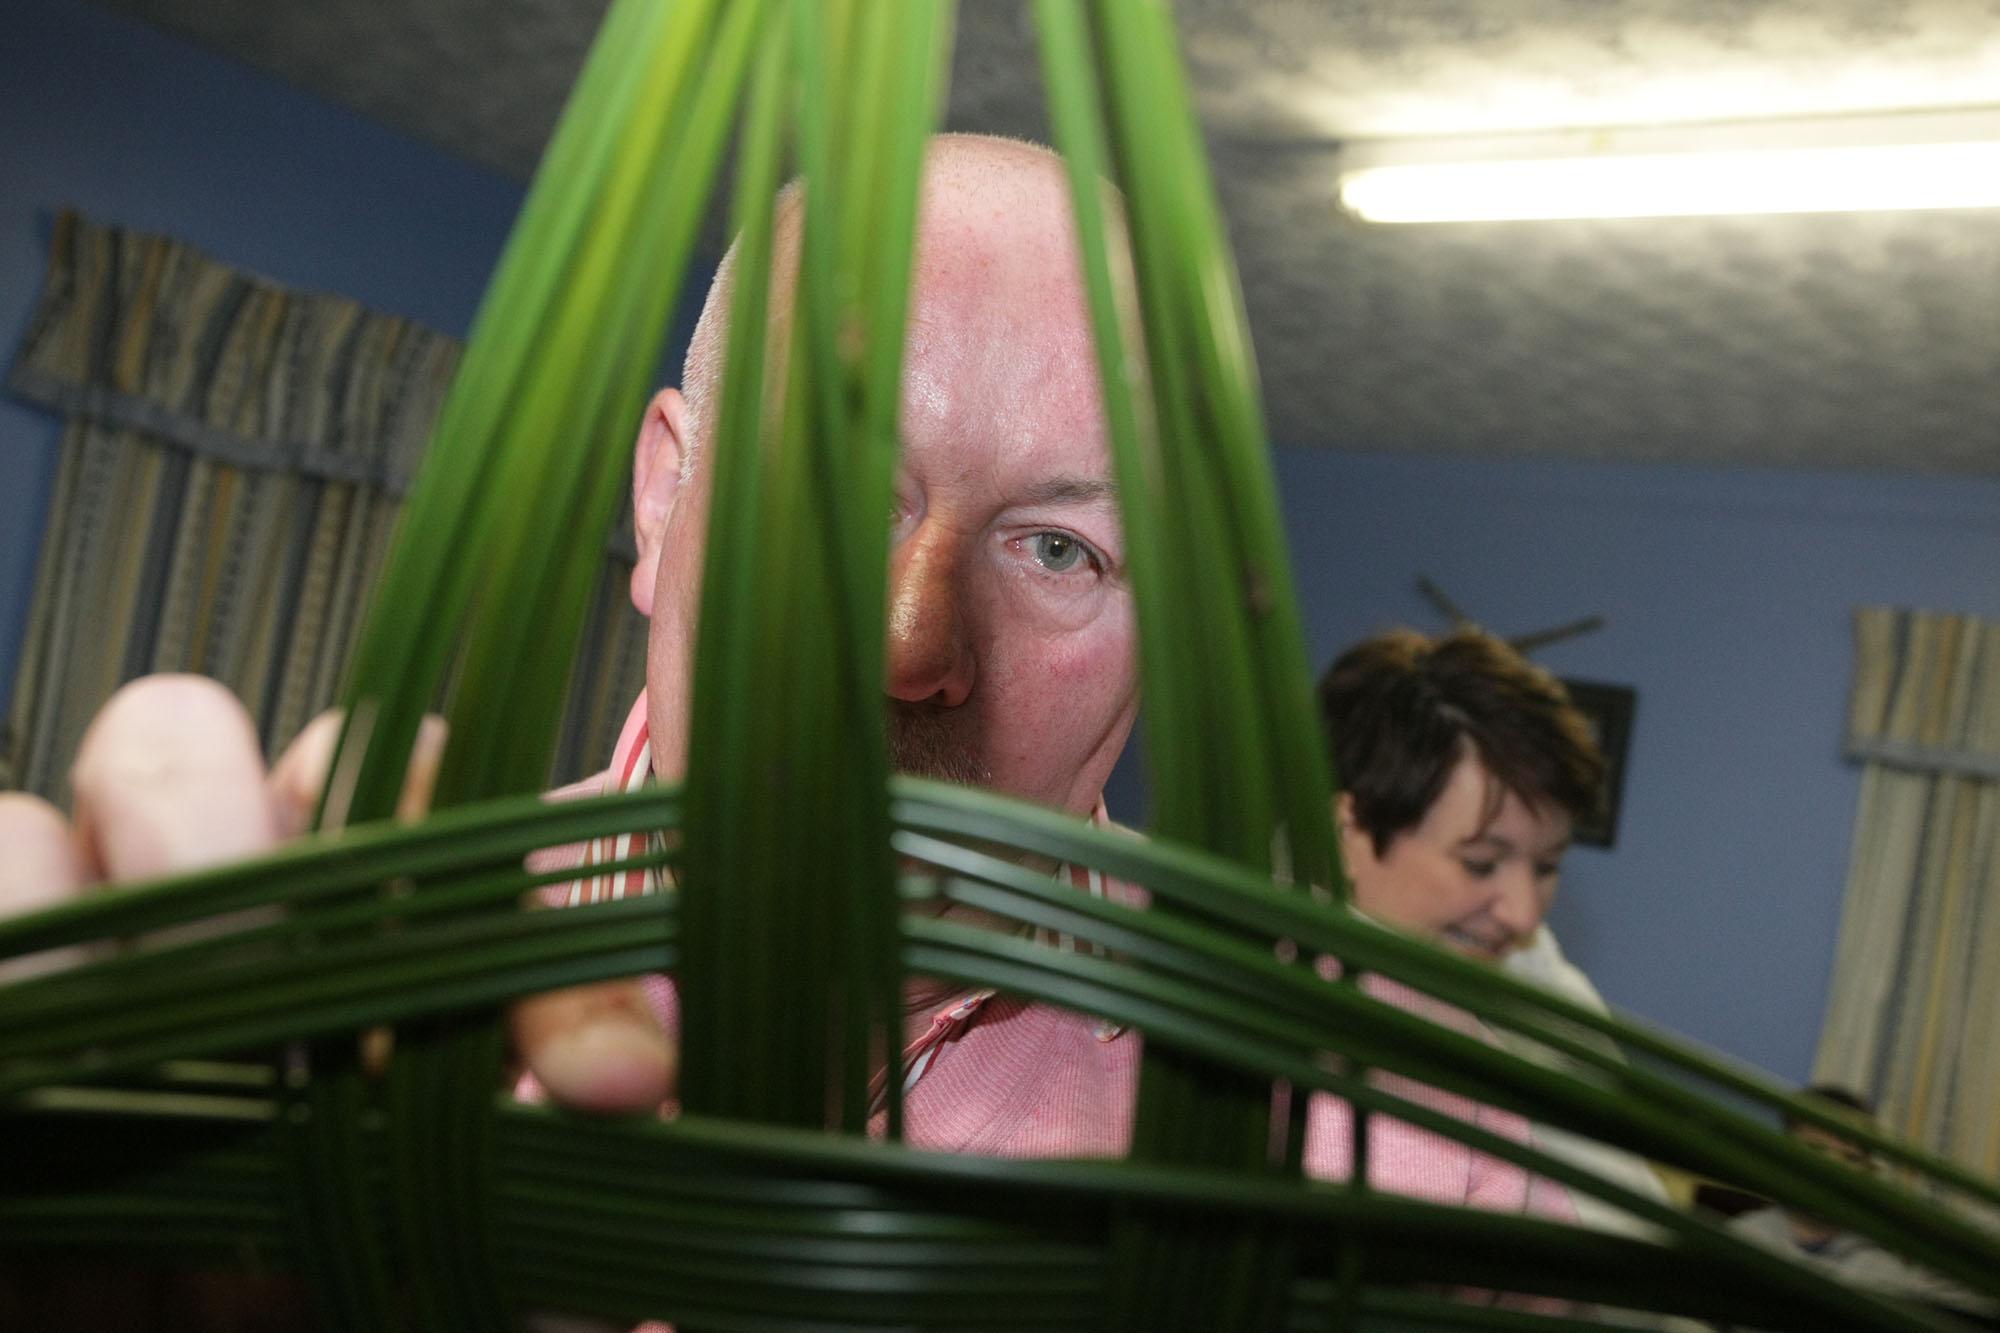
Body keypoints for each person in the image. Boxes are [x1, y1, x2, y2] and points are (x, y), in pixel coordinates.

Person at [0, 137, 1567, 1323]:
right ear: (665, 494)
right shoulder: (331, 1013)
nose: (907, 642)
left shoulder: (1393, 1147)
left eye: (1061, 549)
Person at [1318, 627, 1674, 1239]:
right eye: (1481, 862)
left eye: (1546, 867)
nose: (1523, 916)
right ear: (1349, 829)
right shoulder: (1243, 983)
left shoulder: (1552, 1005)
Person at [1721, 1086, 1994, 1322]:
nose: (1832, 1167)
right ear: (1782, 1155)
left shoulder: (1887, 1272)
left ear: (1868, 1172)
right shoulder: (1741, 1240)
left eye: (1850, 1158)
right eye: (1815, 1150)